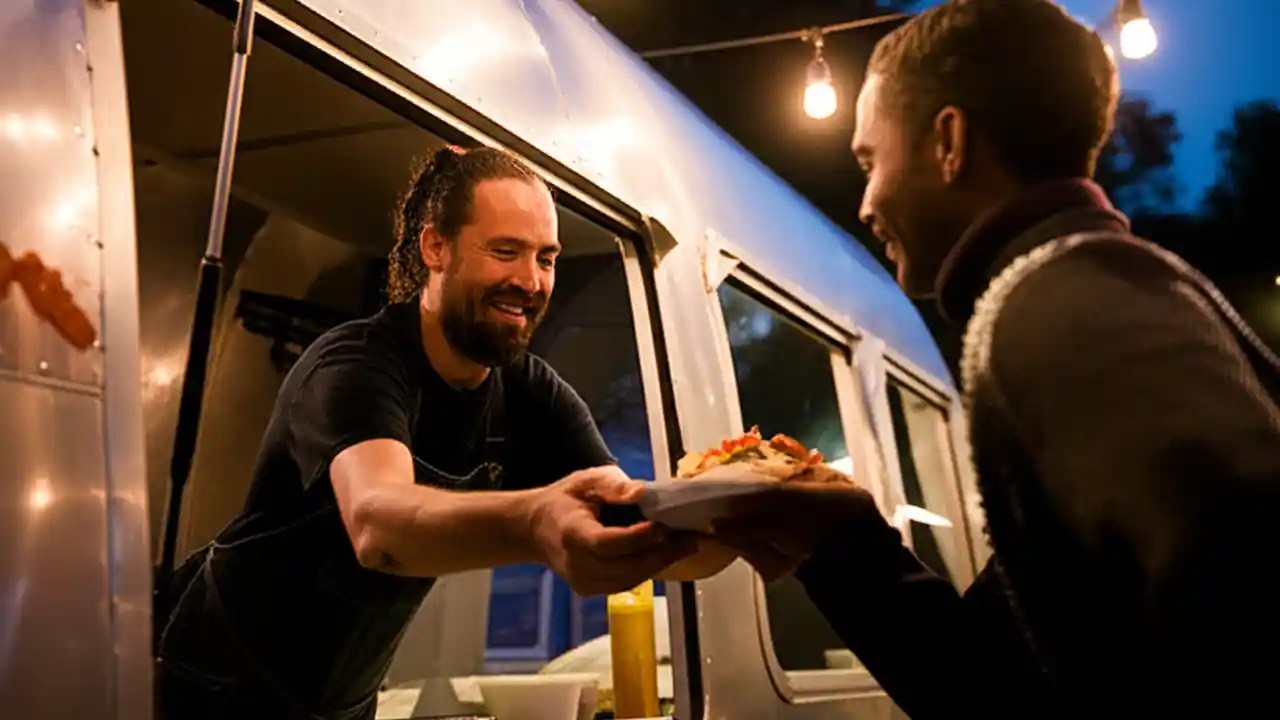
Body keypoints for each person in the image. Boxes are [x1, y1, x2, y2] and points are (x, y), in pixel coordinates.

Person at [709, 1, 1280, 717]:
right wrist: (838, 541)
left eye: (870, 160)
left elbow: (1243, 590)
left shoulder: (1067, 304)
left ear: (949, 142)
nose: (865, 203)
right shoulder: (1081, 293)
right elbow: (1001, 684)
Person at [155, 146, 696, 719]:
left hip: (340, 700)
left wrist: (731, 512)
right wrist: (537, 520)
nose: (531, 281)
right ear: (435, 247)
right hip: (215, 683)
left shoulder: (530, 391)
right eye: (505, 251)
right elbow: (379, 525)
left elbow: (621, 516)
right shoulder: (357, 365)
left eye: (546, 258)